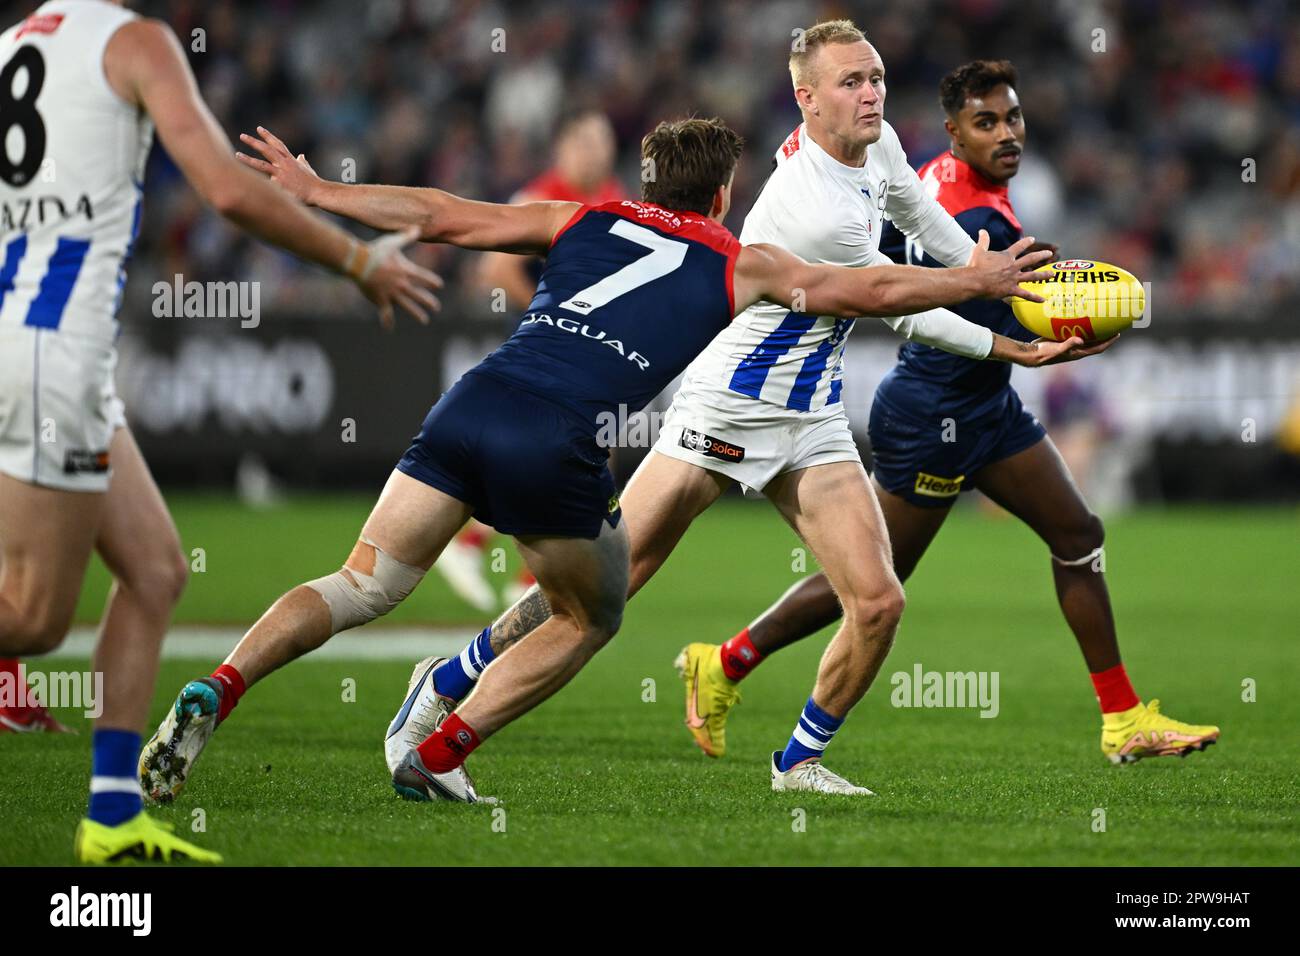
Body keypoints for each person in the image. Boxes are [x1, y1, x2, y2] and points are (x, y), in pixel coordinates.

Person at [141, 113, 1067, 808]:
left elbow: (438, 215)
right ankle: (438, 752)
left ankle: (219, 686)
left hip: (472, 401)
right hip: (556, 438)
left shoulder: (578, 215)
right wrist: (976, 281)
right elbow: (862, 289)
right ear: (720, 195)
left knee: (359, 584)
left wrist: (319, 192)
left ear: (646, 179)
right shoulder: (737, 259)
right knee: (590, 613)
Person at [376, 19, 1119, 800]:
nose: (870, 93)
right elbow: (896, 306)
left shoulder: (881, 145)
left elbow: (926, 228)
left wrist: (980, 267)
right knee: (610, 583)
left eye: (875, 78)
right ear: (807, 100)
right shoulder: (812, 207)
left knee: (877, 601)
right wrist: (1009, 346)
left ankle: (797, 762)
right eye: (850, 83)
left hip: (812, 417)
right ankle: (452, 677)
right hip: (729, 403)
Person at [676, 59, 1219, 766]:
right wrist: (1090, 308)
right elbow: (1001, 301)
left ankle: (1122, 719)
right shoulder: (975, 216)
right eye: (986, 122)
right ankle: (724, 663)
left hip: (984, 405)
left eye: (1013, 117)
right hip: (934, 413)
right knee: (872, 587)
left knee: (1077, 534)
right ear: (954, 133)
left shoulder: (946, 181)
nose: (1007, 133)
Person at [0, 0, 442, 864]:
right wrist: (353, 259)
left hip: (29, 339)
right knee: (30, 619)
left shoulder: (13, 46)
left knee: (158, 572)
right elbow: (226, 187)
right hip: (57, 350)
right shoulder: (132, 42)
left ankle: (113, 817)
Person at [437, 109, 626, 614]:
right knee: (572, 455)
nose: (596, 152)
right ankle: (520, 574)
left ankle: (486, 554)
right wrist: (552, 316)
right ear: (563, 147)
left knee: (577, 454)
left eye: (603, 142)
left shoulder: (613, 193)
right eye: (586, 140)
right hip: (545, 349)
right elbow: (492, 270)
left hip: (585, 354)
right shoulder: (542, 193)